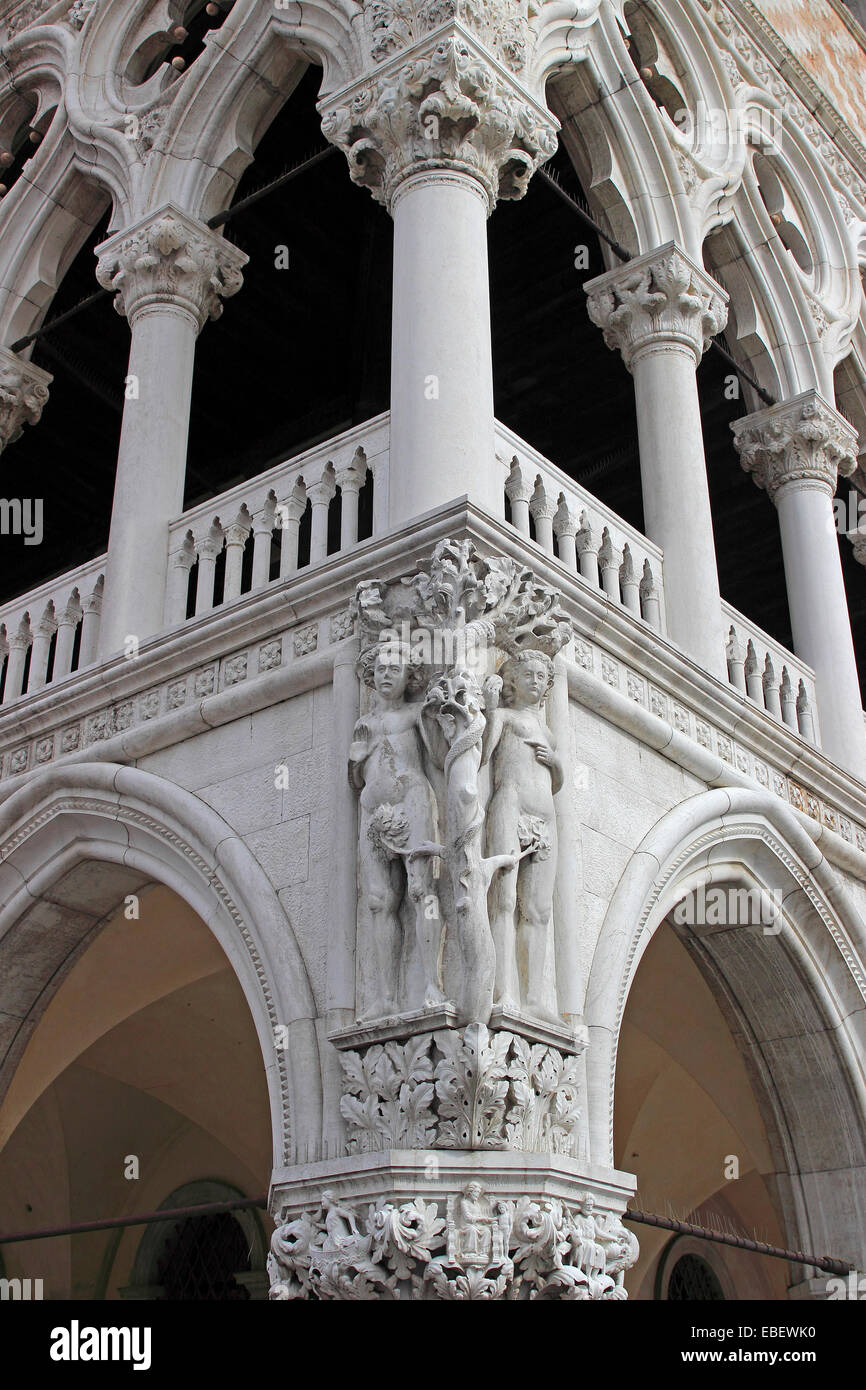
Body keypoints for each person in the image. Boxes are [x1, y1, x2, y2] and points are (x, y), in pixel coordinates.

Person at [349, 643, 444, 1016]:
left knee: (422, 892)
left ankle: (433, 985)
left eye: (395, 669)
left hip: (413, 801)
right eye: (381, 669)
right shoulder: (365, 724)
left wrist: (440, 716)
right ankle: (385, 998)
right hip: (373, 810)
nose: (386, 675)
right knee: (379, 900)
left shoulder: (416, 713)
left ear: (410, 677)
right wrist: (356, 758)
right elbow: (356, 777)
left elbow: (438, 758)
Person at [483, 649, 563, 1024]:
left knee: (538, 910)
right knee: (503, 900)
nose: (536, 681)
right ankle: (504, 991)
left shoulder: (547, 730)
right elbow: (481, 756)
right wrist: (485, 705)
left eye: (541, 677)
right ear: (512, 681)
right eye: (528, 674)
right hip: (510, 807)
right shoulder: (504, 717)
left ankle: (533, 997)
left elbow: (557, 782)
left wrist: (557, 762)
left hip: (545, 818)